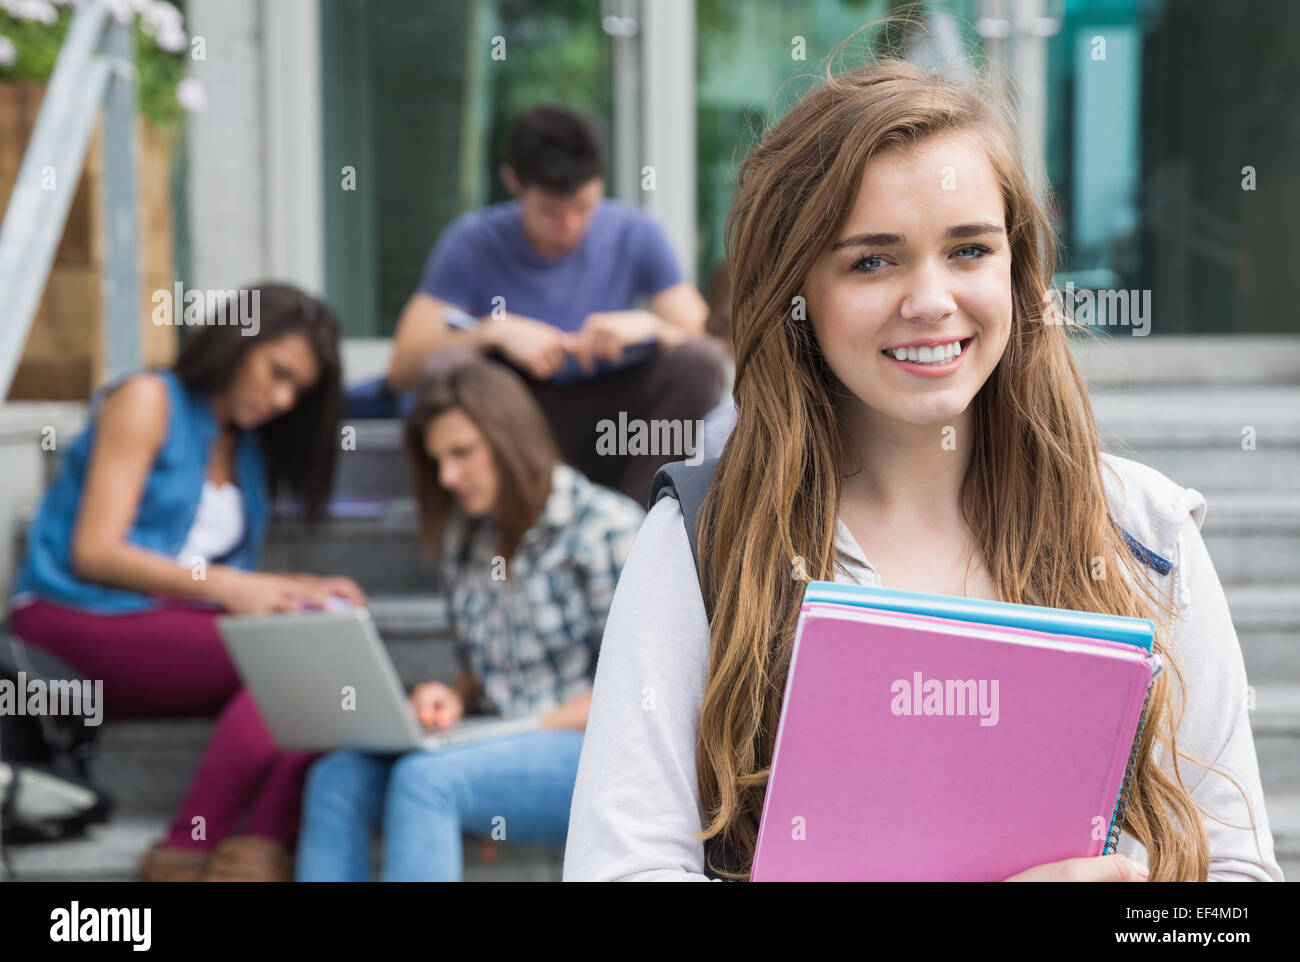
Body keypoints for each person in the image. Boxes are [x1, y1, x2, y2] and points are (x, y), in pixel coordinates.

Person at [562, 53, 1283, 881]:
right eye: (873, 259)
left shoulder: (1145, 533)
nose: (931, 299)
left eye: (970, 250)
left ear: (1018, 269)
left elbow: (1236, 885)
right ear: (797, 292)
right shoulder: (698, 543)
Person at [8, 283, 366, 881]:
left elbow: (206, 571)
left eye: (296, 390)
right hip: (74, 616)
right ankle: (186, 851)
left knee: (326, 657)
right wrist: (230, 587)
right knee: (301, 665)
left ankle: (254, 851)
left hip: (165, 632)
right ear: (238, 341)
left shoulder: (246, 449)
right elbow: (95, 551)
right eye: (276, 372)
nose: (281, 399)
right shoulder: (150, 399)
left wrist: (299, 587)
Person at [296, 348, 644, 881]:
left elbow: (638, 691)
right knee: (336, 779)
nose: (449, 475)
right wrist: (453, 697)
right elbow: (491, 668)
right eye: (438, 461)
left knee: (424, 780)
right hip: (493, 739)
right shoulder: (467, 535)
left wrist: (514, 735)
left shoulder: (607, 528)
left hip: (594, 754)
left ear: (510, 441)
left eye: (462, 453)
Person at [383, 104, 728, 502]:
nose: (568, 225)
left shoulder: (637, 233)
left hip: (617, 435)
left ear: (600, 183)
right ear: (513, 181)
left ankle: (639, 532)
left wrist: (651, 326)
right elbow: (402, 370)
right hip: (518, 427)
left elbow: (715, 349)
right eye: (549, 211)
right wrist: (491, 331)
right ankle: (514, 528)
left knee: (695, 361)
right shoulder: (471, 242)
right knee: (449, 367)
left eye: (582, 207)